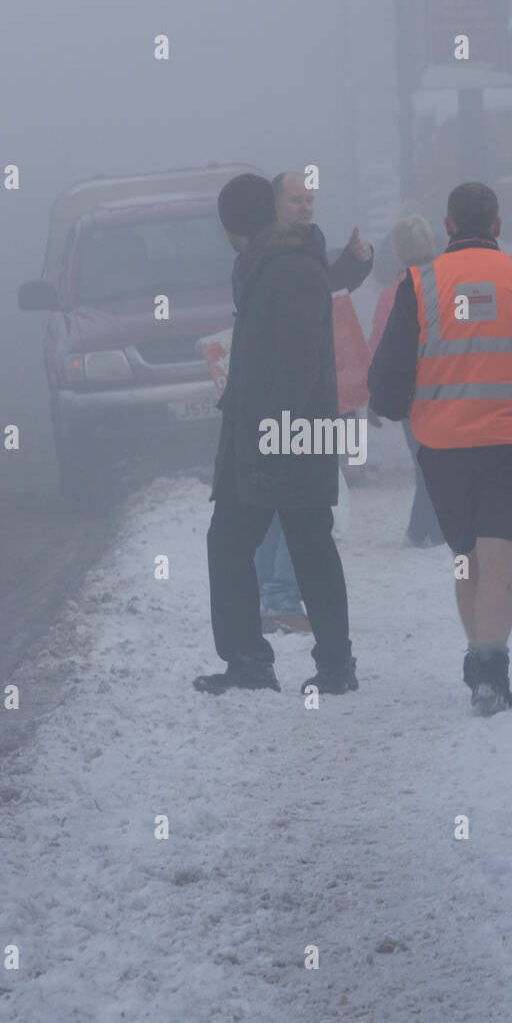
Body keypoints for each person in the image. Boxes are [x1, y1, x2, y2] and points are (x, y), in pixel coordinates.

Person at [368, 182, 512, 715]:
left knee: (466, 560)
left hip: (444, 448)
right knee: (499, 563)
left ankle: (478, 662)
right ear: (497, 225)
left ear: (447, 226)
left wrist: (392, 405)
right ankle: (491, 671)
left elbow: (390, 370)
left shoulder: (419, 285)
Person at [194, 173, 358, 696]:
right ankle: (284, 662)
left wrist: (271, 436)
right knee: (260, 542)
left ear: (233, 226)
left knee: (296, 545)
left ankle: (315, 664)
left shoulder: (286, 269)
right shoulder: (272, 263)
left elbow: (297, 365)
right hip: (268, 432)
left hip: (286, 434)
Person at [254, 172, 373, 634]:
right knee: (304, 502)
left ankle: (266, 593)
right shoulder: (277, 253)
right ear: (275, 204)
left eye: (309, 199)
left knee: (275, 501)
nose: (305, 206)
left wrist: (352, 265)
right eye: (295, 200)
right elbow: (301, 314)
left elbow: (319, 288)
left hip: (287, 397)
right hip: (296, 400)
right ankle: (280, 597)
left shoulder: (295, 248)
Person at [368, 214, 444, 548]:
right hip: (449, 385)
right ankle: (424, 528)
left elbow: (378, 348)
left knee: (423, 460)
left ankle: (425, 529)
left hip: (411, 393)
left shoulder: (392, 295)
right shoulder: (452, 285)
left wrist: (374, 394)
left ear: (399, 251)